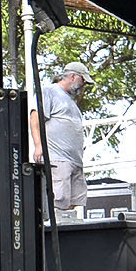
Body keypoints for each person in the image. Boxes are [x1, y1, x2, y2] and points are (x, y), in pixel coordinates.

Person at [29, 61, 93, 215]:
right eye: (82, 80)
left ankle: (66, 228)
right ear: (72, 76)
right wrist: (38, 146)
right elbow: (35, 118)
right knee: (58, 200)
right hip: (58, 158)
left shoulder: (70, 100)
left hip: (75, 159)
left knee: (74, 200)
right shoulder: (49, 91)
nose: (83, 84)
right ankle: (54, 228)